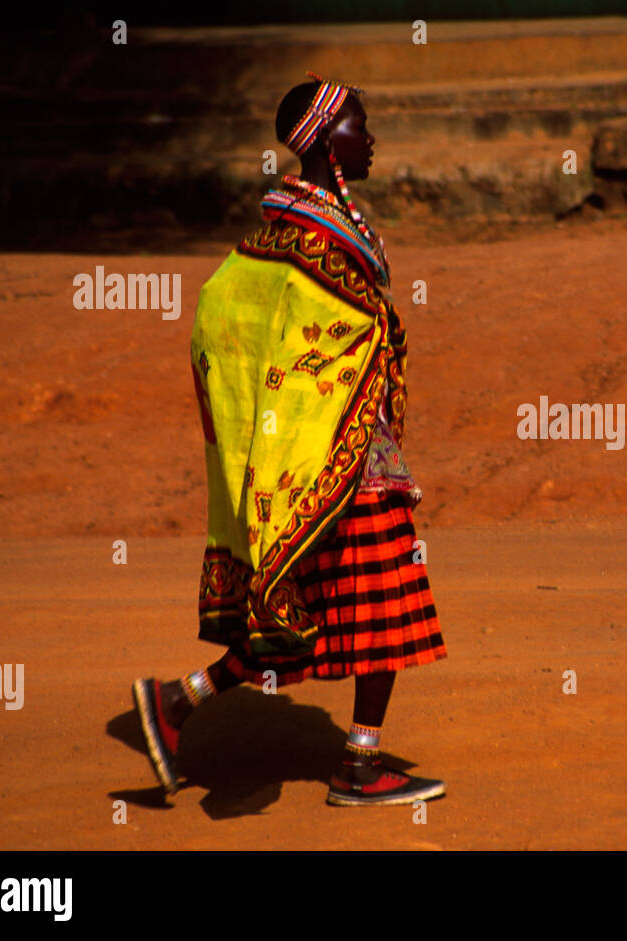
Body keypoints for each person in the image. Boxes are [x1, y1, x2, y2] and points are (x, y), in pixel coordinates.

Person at [133, 72, 448, 807]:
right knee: (382, 599)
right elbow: (229, 320)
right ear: (324, 141)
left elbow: (231, 313)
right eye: (357, 126)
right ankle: (360, 768)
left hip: (342, 447)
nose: (369, 139)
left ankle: (177, 702)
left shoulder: (301, 229)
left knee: (304, 599)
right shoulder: (298, 236)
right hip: (339, 454)